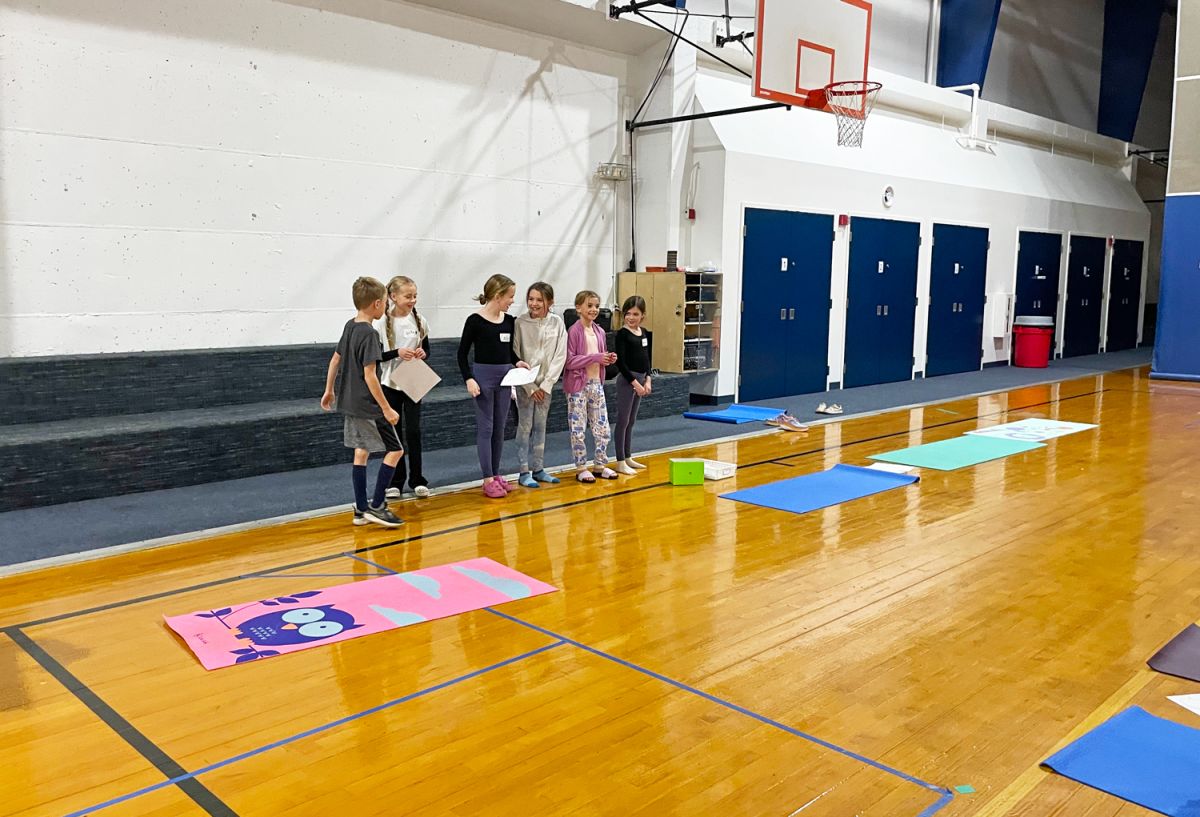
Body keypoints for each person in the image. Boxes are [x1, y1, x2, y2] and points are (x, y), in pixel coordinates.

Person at [320, 277, 404, 527]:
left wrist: (329, 391)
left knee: (361, 451)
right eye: (386, 303)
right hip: (368, 406)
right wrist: (386, 408)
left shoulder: (350, 326)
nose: (386, 307)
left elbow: (335, 360)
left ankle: (360, 508)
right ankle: (377, 505)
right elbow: (370, 375)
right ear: (377, 304)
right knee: (396, 450)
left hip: (349, 403)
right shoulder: (369, 333)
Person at [458, 274, 529, 498]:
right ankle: (487, 478)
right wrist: (469, 378)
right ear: (497, 296)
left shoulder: (509, 321)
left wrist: (517, 361)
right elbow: (461, 354)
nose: (511, 301)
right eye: (510, 296)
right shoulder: (475, 321)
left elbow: (508, 351)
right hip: (483, 378)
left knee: (500, 428)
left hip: (505, 378)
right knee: (486, 428)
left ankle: (496, 473)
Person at [376, 275, 432, 499]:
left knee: (414, 431)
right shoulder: (381, 323)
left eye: (415, 296)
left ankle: (417, 479)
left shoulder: (419, 321)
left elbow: (426, 348)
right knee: (394, 432)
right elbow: (376, 356)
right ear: (393, 296)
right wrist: (396, 353)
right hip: (390, 382)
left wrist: (422, 353)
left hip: (413, 377)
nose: (412, 300)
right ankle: (396, 481)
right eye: (408, 296)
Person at [513, 282, 568, 489]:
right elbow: (516, 354)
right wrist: (530, 387)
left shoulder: (557, 323)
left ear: (550, 302)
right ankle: (523, 470)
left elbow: (560, 355)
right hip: (526, 385)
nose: (534, 304)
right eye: (531, 299)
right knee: (525, 426)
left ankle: (539, 468)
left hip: (546, 387)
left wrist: (546, 385)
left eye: (539, 300)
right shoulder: (520, 323)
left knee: (541, 426)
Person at [563, 290, 619, 482]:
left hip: (596, 384)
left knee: (602, 427)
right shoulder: (574, 331)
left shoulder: (600, 331)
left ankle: (600, 464)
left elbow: (598, 356)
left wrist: (607, 359)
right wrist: (596, 357)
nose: (594, 309)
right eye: (589, 305)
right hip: (578, 386)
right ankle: (580, 466)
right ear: (578, 307)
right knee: (578, 428)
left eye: (597, 305)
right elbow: (570, 362)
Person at [613, 295, 652, 475]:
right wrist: (635, 383)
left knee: (632, 421)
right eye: (628, 314)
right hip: (627, 381)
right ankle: (620, 460)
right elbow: (620, 363)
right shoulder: (622, 334)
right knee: (623, 421)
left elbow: (647, 359)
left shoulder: (643, 332)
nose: (630, 317)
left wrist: (648, 379)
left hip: (641, 379)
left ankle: (628, 456)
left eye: (635, 314)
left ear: (642, 315)